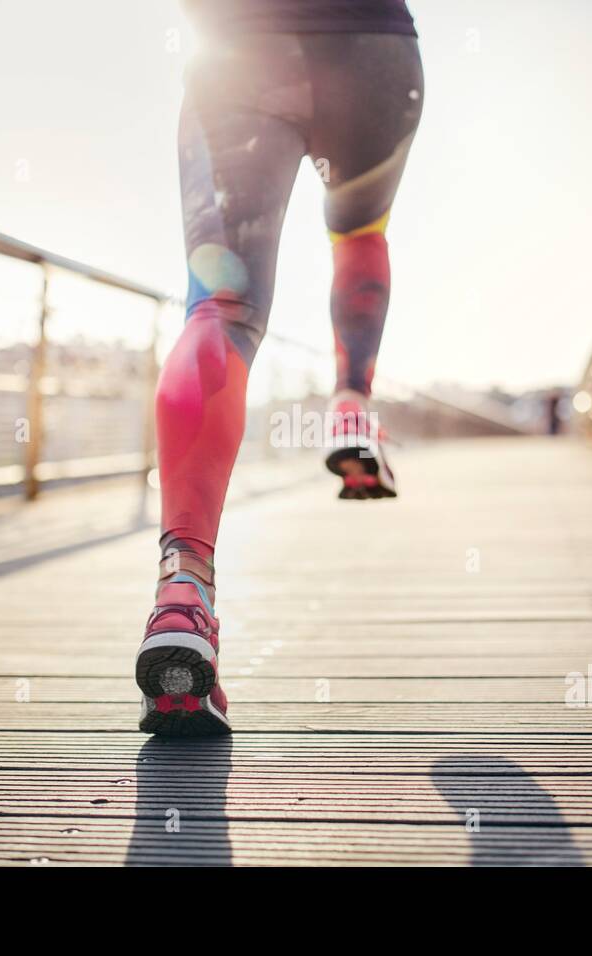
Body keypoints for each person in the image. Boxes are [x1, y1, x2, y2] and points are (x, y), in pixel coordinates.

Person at [136, 0, 423, 735]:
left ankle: (183, 592)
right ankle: (352, 403)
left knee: (221, 309)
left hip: (239, 49)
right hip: (373, 50)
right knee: (358, 230)